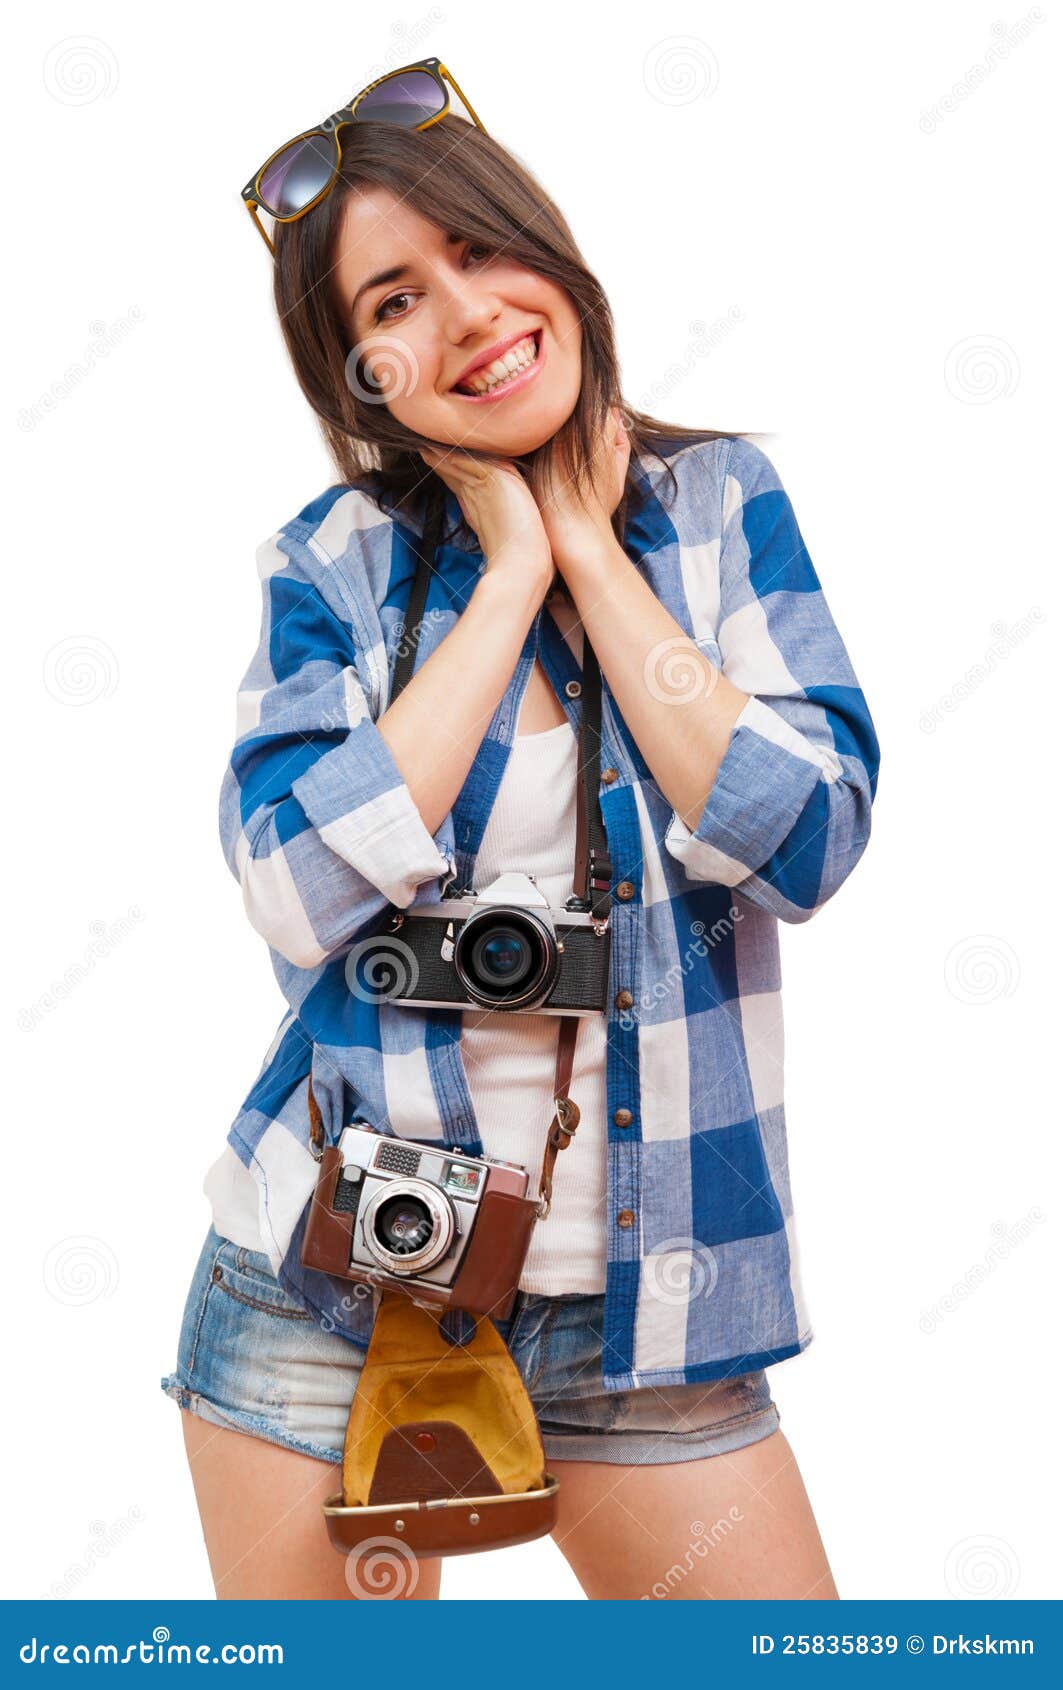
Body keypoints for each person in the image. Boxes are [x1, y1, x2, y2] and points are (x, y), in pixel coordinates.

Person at [160, 63, 880, 1601]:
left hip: (655, 1307)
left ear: (551, 260)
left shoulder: (717, 507)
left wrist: (589, 560)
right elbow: (291, 886)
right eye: (395, 301)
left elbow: (810, 837)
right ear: (358, 376)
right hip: (333, 1301)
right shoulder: (336, 568)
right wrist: (498, 587)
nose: (467, 313)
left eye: (482, 254)